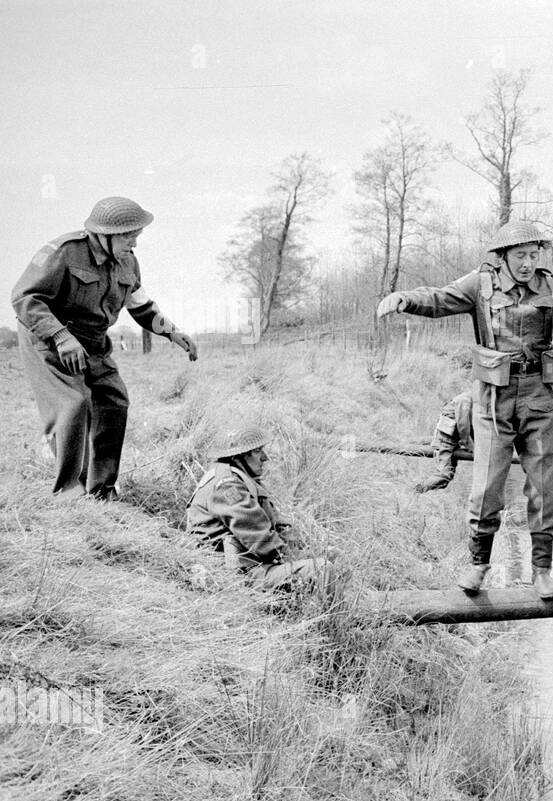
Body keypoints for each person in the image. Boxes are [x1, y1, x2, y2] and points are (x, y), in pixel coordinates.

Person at [376, 221, 553, 600]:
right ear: (502, 257)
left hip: (539, 395)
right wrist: (405, 299)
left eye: (533, 255)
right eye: (520, 256)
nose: (528, 263)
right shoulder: (479, 284)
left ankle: (542, 570)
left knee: (546, 485)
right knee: (487, 485)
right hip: (494, 398)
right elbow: (440, 298)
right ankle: (478, 563)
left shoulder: (549, 285)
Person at [11, 196, 198, 499]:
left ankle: (102, 490)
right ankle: (69, 492)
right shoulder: (64, 253)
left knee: (114, 400)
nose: (135, 243)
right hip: (48, 339)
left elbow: (142, 307)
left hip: (93, 340)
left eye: (137, 235)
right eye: (129, 236)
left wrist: (173, 333)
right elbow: (25, 298)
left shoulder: (128, 261)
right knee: (74, 403)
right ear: (105, 234)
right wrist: (60, 336)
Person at [186, 426, 328, 590]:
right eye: (258, 451)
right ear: (238, 456)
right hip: (236, 573)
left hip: (251, 561)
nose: (265, 457)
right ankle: (323, 615)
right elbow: (259, 538)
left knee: (331, 555)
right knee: (322, 569)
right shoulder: (227, 486)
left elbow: (271, 525)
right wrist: (291, 557)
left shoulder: (237, 478)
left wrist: (301, 548)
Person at [413, 390, 473, 493]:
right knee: (444, 475)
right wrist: (471, 446)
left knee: (446, 479)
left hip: (452, 441)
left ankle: (418, 491)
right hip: (445, 441)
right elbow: (463, 426)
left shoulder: (471, 399)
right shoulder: (465, 400)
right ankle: (416, 491)